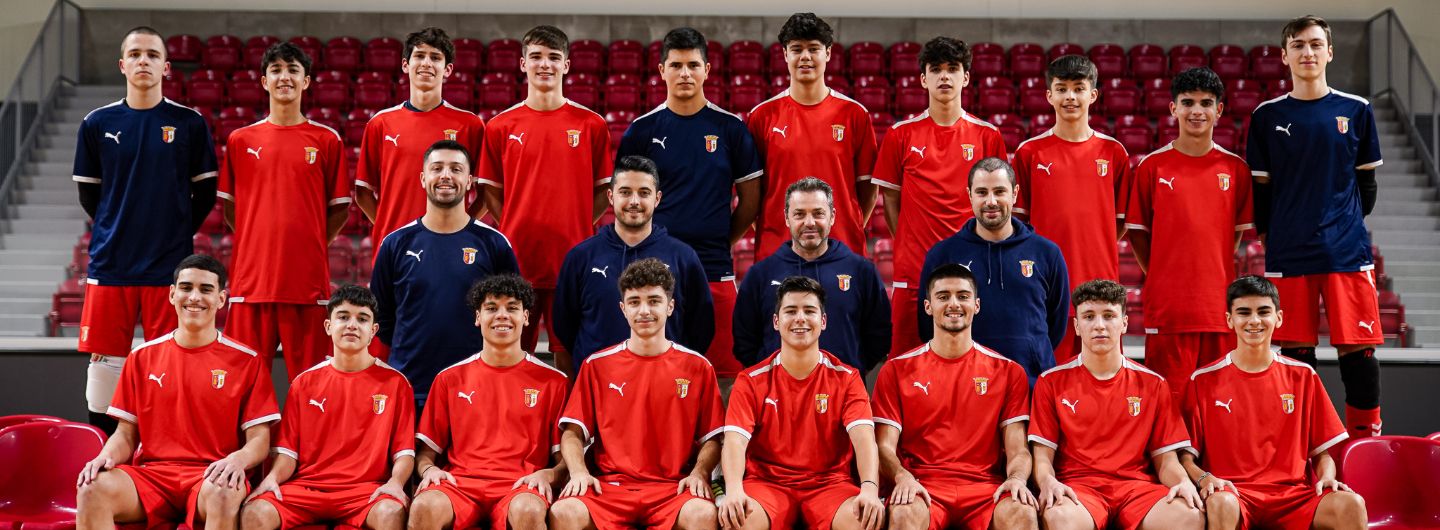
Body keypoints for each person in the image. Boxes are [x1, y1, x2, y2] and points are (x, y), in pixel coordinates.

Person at [72, 26, 219, 433]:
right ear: (122, 64)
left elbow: (204, 193)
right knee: (104, 367)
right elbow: (90, 196)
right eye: (135, 54)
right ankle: (103, 454)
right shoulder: (96, 122)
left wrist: (172, 230)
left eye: (152, 55)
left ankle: (161, 452)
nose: (143, 61)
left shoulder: (188, 123)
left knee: (169, 362)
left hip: (167, 267)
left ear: (166, 67)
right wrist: (115, 227)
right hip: (110, 264)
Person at [1246, 14, 1385, 438]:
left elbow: (1367, 185)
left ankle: (1365, 443)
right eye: (1298, 45)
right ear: (1284, 55)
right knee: (1296, 357)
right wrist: (1285, 231)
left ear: (1330, 52)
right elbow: (1262, 194)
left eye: (1314, 44)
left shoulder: (1356, 110)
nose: (1307, 52)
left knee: (1357, 354)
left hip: (1347, 253)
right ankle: (1305, 445)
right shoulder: (1266, 116)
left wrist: (1340, 226)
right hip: (1289, 254)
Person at [75, 255, 279, 530]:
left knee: (223, 492)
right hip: (152, 478)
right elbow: (125, 434)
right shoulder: (141, 357)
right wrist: (104, 457)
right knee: (91, 487)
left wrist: (237, 460)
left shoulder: (247, 360)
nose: (194, 297)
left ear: (221, 299)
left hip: (212, 476)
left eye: (205, 289)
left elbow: (259, 440)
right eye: (186, 287)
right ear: (172, 294)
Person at [616, 26, 764, 379]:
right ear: (662, 70)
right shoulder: (641, 130)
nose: (685, 73)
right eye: (677, 65)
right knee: (654, 374)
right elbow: (627, 196)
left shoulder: (730, 129)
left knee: (724, 374)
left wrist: (723, 238)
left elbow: (751, 200)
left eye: (693, 65)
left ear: (707, 70)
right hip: (654, 271)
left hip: (715, 267)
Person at [1180, 275, 1368, 530]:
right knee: (1221, 503)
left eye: (1263, 312)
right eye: (1244, 312)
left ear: (1278, 318)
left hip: (1293, 497)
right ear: (1229, 320)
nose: (1254, 320)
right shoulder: (1202, 380)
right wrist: (1205, 478)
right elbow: (1186, 459)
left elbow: (1322, 454)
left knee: (1352, 504)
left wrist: (1327, 477)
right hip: (1234, 494)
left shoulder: (1303, 376)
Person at [549, 259, 724, 530]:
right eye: (634, 302)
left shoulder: (698, 367)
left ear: (670, 306)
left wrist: (700, 472)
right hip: (610, 487)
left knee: (702, 515)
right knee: (565, 512)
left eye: (654, 301)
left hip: (671, 488)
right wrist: (579, 472)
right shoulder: (596, 365)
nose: (644, 311)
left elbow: (713, 438)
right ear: (623, 309)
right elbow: (572, 433)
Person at [480, 24, 612, 373]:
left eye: (554, 57)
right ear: (522, 63)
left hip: (572, 260)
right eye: (536, 57)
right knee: (510, 354)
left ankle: (570, 426)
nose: (545, 65)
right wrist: (512, 222)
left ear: (566, 65)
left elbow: (603, 190)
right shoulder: (500, 126)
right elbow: (489, 189)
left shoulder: (591, 124)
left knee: (570, 354)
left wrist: (580, 221)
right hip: (517, 260)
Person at [219, 42, 351, 378]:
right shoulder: (240, 140)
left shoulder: (327, 140)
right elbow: (231, 210)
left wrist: (307, 244)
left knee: (311, 383)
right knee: (242, 382)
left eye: (293, 70)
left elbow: (339, 211)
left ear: (306, 81)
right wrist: (258, 242)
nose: (285, 77)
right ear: (264, 81)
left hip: (306, 285)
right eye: (276, 70)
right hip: (252, 283)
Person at [874, 264, 1039, 530]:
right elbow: (883, 447)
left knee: (1023, 513)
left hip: (985, 488)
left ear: (976, 305)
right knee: (904, 514)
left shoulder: (1009, 371)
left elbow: (1018, 449)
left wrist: (1017, 478)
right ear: (928, 306)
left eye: (962, 296)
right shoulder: (896, 370)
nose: (953, 304)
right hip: (923, 486)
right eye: (943, 296)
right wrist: (902, 477)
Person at [1029, 280, 1202, 530]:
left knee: (1188, 515)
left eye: (1109, 315)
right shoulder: (1051, 382)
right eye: (1089, 316)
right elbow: (1042, 456)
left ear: (1124, 323)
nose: (1099, 325)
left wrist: (1183, 482)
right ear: (1076, 326)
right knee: (1060, 519)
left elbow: (1166, 460)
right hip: (1079, 488)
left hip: (1137, 489)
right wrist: (1047, 481)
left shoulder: (1153, 383)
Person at [873, 36, 1007, 358]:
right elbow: (891, 200)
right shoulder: (900, 134)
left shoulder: (987, 135)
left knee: (973, 364)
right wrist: (908, 239)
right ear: (923, 78)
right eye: (936, 69)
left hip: (973, 270)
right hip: (913, 270)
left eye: (952, 69)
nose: (944, 76)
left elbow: (999, 207)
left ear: (966, 77)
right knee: (905, 363)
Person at [238, 284, 414, 530]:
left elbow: (404, 453)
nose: (352, 324)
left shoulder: (397, 383)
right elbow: (289, 453)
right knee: (256, 512)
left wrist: (396, 482)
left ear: (373, 330)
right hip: (306, 488)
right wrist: (271, 479)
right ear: (328, 326)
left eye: (362, 319)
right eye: (343, 316)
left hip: (365, 491)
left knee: (390, 512)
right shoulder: (303, 382)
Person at [718, 276, 885, 530]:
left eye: (809, 311)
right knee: (738, 521)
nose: (800, 318)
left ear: (823, 321)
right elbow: (734, 442)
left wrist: (870, 488)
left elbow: (864, 439)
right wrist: (733, 490)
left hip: (829, 484)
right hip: (766, 484)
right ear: (776, 322)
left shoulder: (847, 378)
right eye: (790, 311)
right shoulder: (750, 380)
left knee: (862, 522)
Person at [1124, 67, 1252, 399]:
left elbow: (1232, 237)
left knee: (1217, 402)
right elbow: (1137, 233)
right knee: (1169, 402)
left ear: (1219, 110)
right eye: (1188, 102)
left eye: (1206, 103)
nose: (1197, 111)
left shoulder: (1236, 169)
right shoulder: (1152, 166)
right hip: (1169, 308)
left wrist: (1210, 270)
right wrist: (1162, 273)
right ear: (1173, 108)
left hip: (1218, 307)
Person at [409, 273, 569, 530]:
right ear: (477, 317)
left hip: (521, 485)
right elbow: (425, 455)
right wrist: (429, 471)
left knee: (527, 509)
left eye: (512, 308)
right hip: (461, 485)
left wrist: (547, 474)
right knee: (424, 506)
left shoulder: (554, 382)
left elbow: (565, 462)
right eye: (491, 308)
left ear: (526, 317)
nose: (502, 315)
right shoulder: (449, 379)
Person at [370, 141, 520, 408]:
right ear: (423, 178)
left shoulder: (494, 244)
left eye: (456, 169)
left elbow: (511, 312)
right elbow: (382, 316)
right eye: (437, 168)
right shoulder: (395, 244)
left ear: (470, 180)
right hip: (410, 385)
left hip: (476, 388)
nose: (446, 176)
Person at [1011, 55, 1132, 364]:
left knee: (1102, 379)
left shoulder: (1114, 153)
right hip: (1045, 288)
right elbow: (1020, 227)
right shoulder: (1029, 153)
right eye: (1061, 89)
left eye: (1078, 88)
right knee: (1049, 381)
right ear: (1049, 95)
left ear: (1092, 95)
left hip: (1100, 288)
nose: (1070, 97)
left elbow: (1118, 224)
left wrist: (1093, 247)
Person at [553, 156, 714, 367]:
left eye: (644, 193)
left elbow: (701, 329)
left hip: (665, 383)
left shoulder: (683, 258)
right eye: (625, 192)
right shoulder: (581, 257)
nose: (634, 201)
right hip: (601, 385)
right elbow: (565, 328)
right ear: (611, 196)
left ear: (657, 199)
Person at [918, 157, 1069, 382]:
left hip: (1031, 383)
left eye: (999, 191)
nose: (991, 201)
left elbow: (1056, 324)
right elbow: (928, 324)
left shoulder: (1046, 253)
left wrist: (1031, 352)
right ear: (969, 195)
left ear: (1015, 193)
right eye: (981, 192)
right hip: (965, 384)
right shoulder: (943, 255)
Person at [747, 12, 878, 263]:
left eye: (813, 49)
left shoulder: (855, 114)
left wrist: (841, 226)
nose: (805, 57)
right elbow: (751, 193)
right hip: (778, 251)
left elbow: (868, 192)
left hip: (842, 249)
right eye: (796, 49)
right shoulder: (761, 117)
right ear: (785, 54)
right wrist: (775, 228)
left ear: (828, 53)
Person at [733, 178, 890, 373]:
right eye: (799, 214)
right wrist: (772, 377)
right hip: (777, 396)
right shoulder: (760, 275)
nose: (809, 223)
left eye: (818, 214)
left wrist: (848, 371)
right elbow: (744, 342)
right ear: (786, 218)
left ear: (832, 216)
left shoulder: (861, 272)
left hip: (844, 396)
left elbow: (879, 338)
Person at [356, 26, 485, 255]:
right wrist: (392, 229)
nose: (426, 63)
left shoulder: (470, 125)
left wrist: (461, 227)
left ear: (448, 69)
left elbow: (486, 194)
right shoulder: (380, 123)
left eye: (435, 57)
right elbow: (363, 192)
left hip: (450, 246)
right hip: (395, 249)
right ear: (405, 65)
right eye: (419, 55)